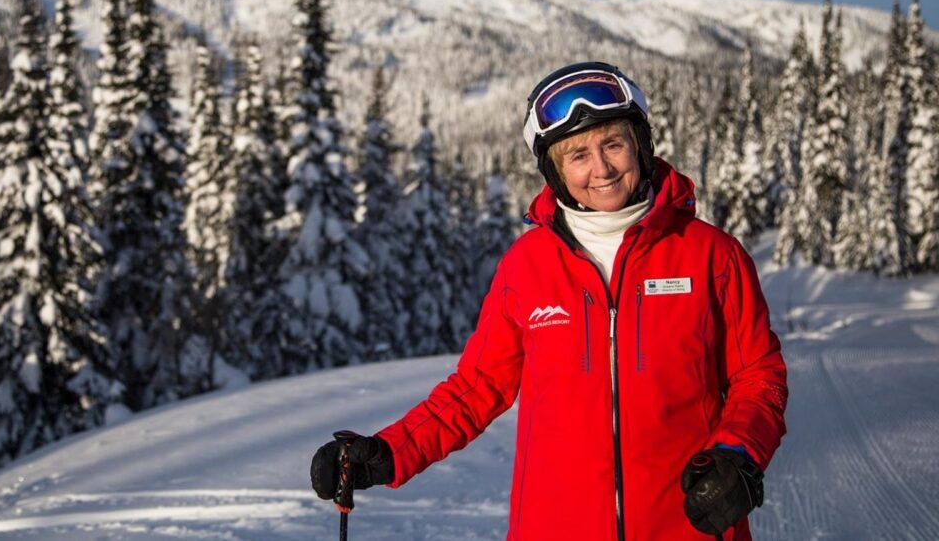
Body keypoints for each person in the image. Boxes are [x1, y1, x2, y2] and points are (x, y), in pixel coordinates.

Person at [310, 62, 789, 540]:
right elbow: (476, 388)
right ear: (556, 172)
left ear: (640, 146)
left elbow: (758, 375)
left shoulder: (710, 255)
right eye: (577, 155)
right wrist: (388, 451)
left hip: (689, 526)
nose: (600, 168)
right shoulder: (528, 267)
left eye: (613, 144)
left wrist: (739, 454)